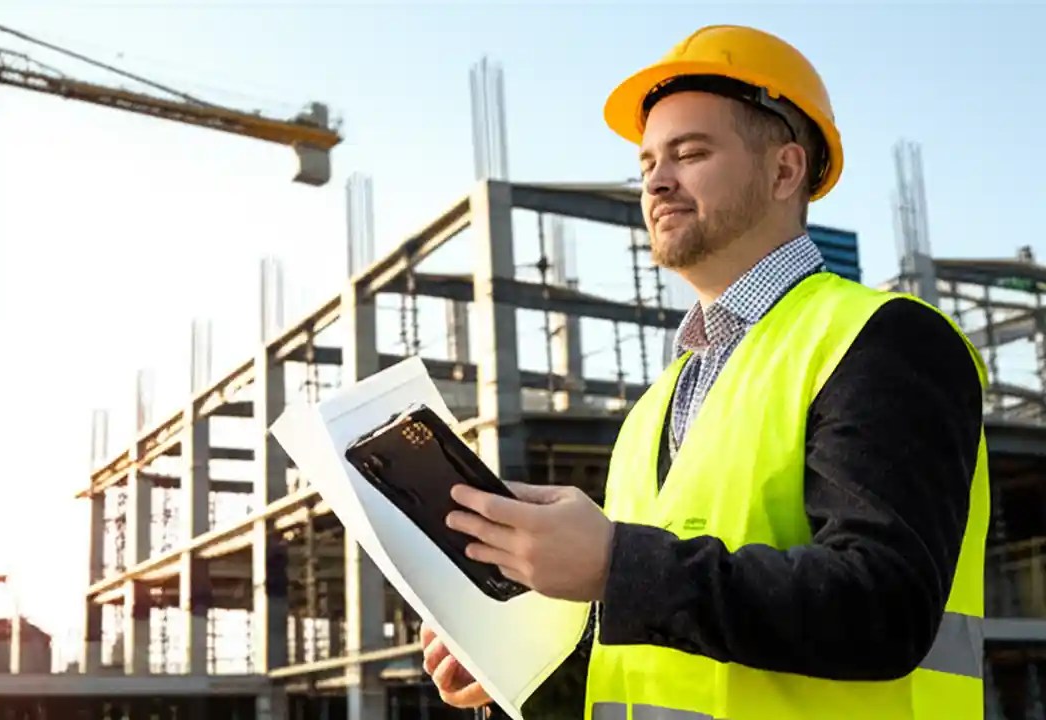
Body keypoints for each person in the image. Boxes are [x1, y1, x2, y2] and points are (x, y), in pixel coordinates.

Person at [421, 24, 988, 720]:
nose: (657, 181)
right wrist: (522, 642)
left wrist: (613, 562)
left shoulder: (883, 340)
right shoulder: (653, 411)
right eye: (647, 164)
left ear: (784, 172)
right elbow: (670, 623)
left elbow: (883, 604)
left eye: (690, 153)